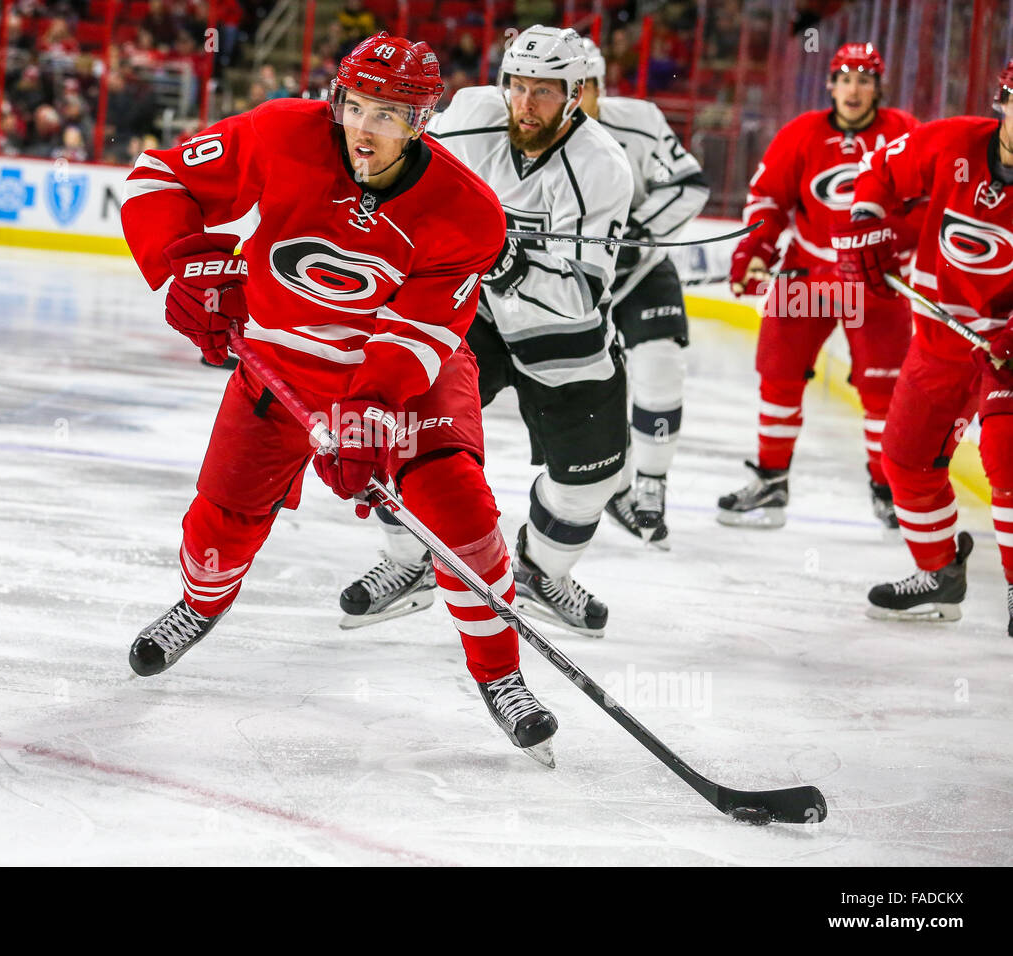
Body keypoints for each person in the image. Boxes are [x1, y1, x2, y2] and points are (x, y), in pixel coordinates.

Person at [120, 33, 560, 764]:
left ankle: (501, 674)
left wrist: (367, 411)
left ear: (421, 121)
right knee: (219, 523)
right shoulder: (279, 134)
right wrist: (181, 270)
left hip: (407, 382)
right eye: (355, 106)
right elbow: (157, 177)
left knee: (461, 516)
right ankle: (199, 605)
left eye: (387, 114)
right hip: (278, 362)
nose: (364, 126)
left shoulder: (467, 212)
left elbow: (417, 336)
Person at [337, 25, 634, 637]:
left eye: (544, 92)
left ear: (576, 93)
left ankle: (539, 571)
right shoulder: (471, 114)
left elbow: (582, 294)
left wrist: (513, 262)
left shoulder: (603, 167)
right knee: (405, 421)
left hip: (559, 333)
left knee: (591, 475)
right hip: (470, 310)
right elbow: (411, 174)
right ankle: (409, 560)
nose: (525, 104)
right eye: (517, 86)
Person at [837, 59, 1013, 635]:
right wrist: (866, 215)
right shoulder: (954, 141)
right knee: (906, 460)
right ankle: (940, 574)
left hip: (1008, 349)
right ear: (1002, 100)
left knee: (1007, 458)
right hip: (940, 339)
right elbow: (880, 169)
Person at [720, 43, 919, 529]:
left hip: (877, 279)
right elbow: (768, 197)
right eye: (845, 78)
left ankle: (886, 486)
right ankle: (770, 480)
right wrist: (755, 252)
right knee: (778, 373)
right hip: (808, 269)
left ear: (879, 87)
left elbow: (927, 201)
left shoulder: (904, 133)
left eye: (865, 79)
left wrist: (898, 249)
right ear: (830, 85)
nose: (854, 88)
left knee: (884, 389)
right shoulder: (801, 133)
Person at [562, 36, 709, 547]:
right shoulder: (529, 131)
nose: (572, 100)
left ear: (601, 87)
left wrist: (641, 230)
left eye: (583, 88)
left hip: (642, 271)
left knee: (661, 367)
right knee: (579, 390)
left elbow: (688, 183)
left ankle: (652, 483)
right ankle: (612, 484)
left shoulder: (641, 121)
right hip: (570, 283)